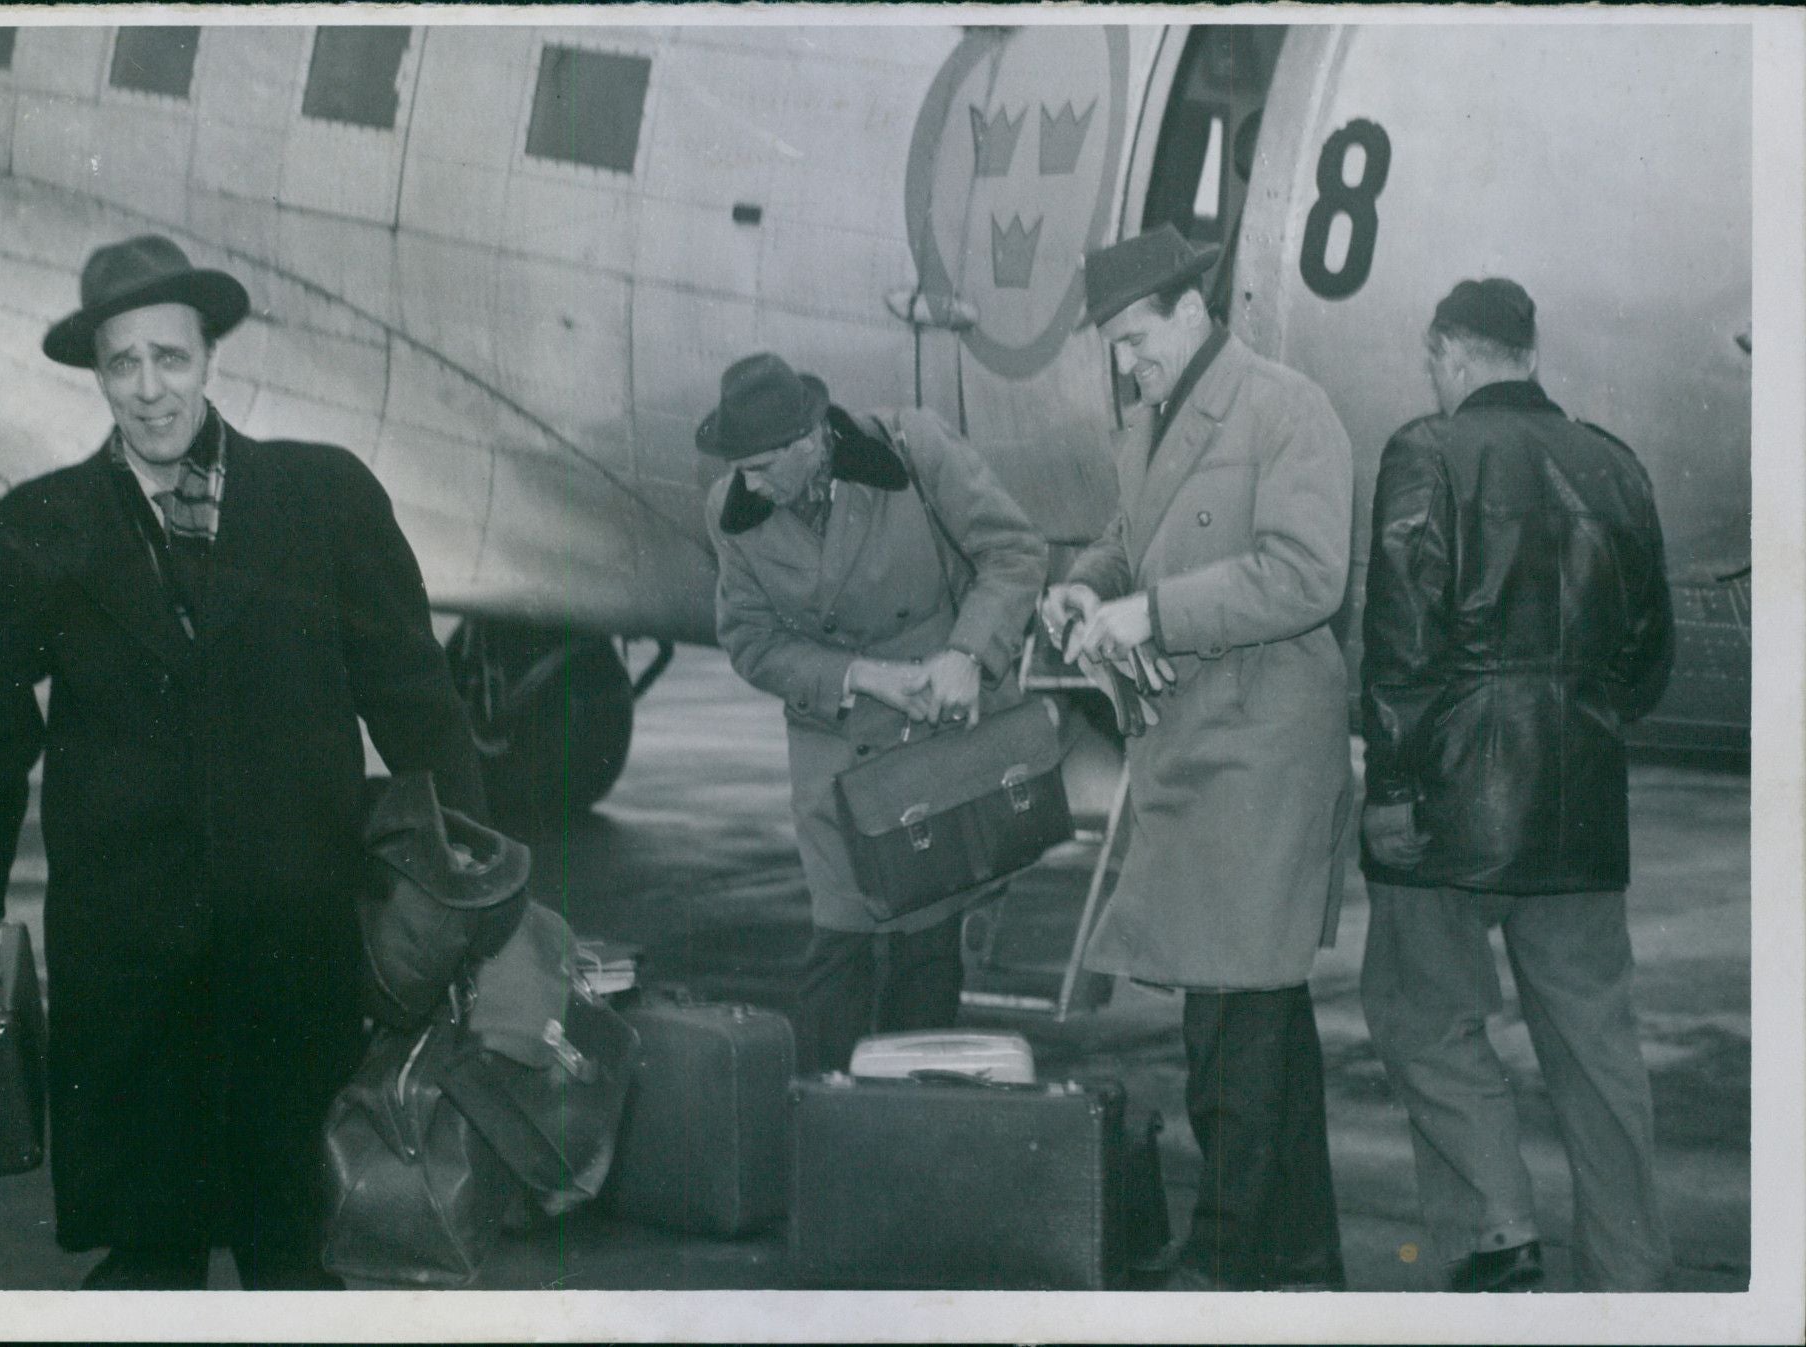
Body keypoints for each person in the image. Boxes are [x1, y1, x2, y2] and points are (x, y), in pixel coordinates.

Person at [0, 235, 487, 1290]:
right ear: (100, 375)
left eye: (170, 359)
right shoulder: (41, 524)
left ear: (210, 357)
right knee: (148, 1251)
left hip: (295, 941)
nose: (149, 390)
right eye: (123, 364)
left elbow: (415, 696)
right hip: (127, 950)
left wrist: (474, 876)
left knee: (299, 1247)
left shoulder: (324, 499)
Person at [1041, 224, 1355, 1290]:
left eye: (1135, 339)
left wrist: (1153, 614)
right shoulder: (1151, 420)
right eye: (1115, 348)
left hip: (1261, 751)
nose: (1126, 363)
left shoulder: (1285, 409)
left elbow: (1306, 575)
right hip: (1193, 747)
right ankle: (1301, 1260)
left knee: (1231, 1014)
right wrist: (1087, 585)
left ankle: (1226, 1258)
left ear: (1189, 309)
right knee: (1253, 1009)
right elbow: (1128, 537)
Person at [1357, 278, 1676, 1292]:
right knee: (1597, 1049)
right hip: (1579, 816)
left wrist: (1391, 789)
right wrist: (1575, 720)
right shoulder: (1615, 465)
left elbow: (1400, 642)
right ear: (1530, 355)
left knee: (1423, 1021)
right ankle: (1630, 1275)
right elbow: (1649, 658)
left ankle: (1493, 1233)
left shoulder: (1427, 453)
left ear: (1446, 352)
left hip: (1446, 814)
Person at [699, 352, 1048, 1074]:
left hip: (934, 738)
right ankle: (822, 1117)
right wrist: (860, 676)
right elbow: (752, 641)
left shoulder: (912, 451)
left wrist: (968, 655)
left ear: (809, 440)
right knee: (839, 951)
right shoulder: (732, 511)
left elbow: (1014, 553)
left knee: (927, 952)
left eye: (760, 467)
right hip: (835, 745)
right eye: (739, 469)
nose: (748, 485)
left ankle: (913, 1115)